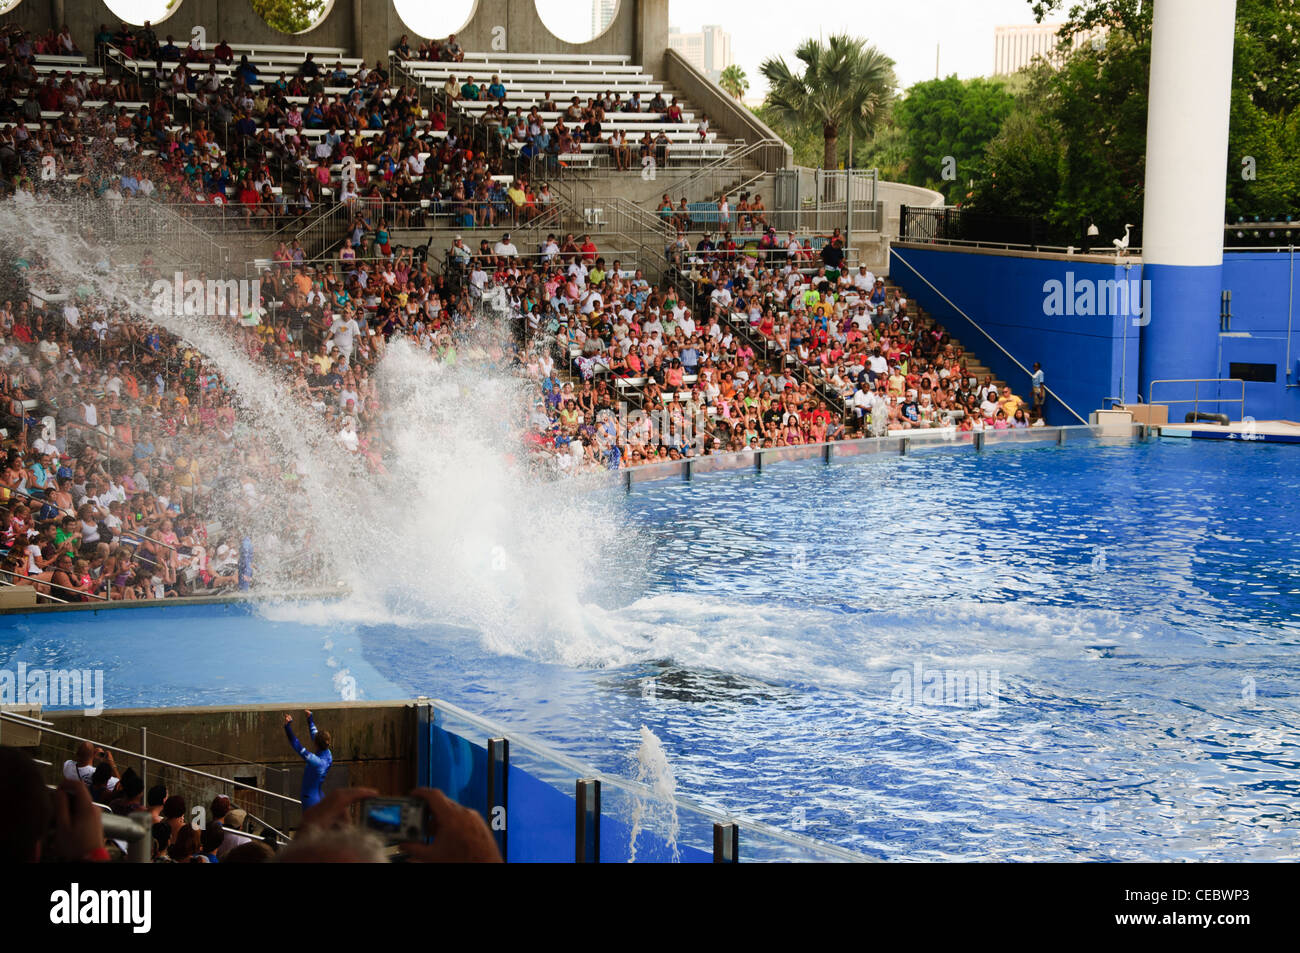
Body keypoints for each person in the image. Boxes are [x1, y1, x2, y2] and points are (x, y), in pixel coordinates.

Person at [284, 709, 332, 809]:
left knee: (311, 824)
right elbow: (315, 734)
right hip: (319, 795)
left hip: (310, 799)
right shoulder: (328, 754)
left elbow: (297, 746)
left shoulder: (316, 762)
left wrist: (288, 727)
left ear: (315, 744)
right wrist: (310, 718)